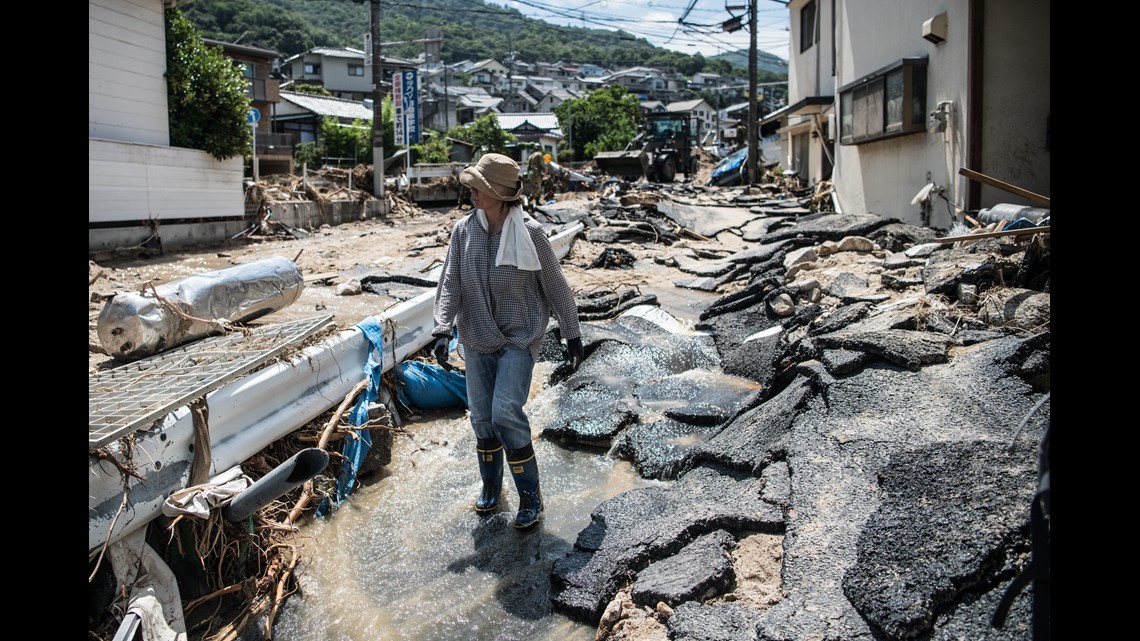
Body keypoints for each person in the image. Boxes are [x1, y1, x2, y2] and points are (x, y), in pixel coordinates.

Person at [432, 153, 584, 529]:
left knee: (505, 412)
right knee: (482, 418)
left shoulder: (531, 233)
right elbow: (451, 282)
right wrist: (441, 327)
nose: (472, 192)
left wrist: (572, 333)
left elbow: (555, 284)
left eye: (479, 188)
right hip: (476, 333)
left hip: (520, 334)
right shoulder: (463, 232)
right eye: (472, 186)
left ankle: (531, 497)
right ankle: (491, 488)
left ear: (500, 195)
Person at [525, 144, 546, 214]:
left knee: (533, 187)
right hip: (536, 173)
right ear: (540, 148)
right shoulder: (539, 154)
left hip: (531, 173)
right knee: (538, 188)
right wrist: (545, 171)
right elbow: (541, 164)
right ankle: (532, 200)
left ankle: (530, 201)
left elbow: (528, 166)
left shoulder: (531, 156)